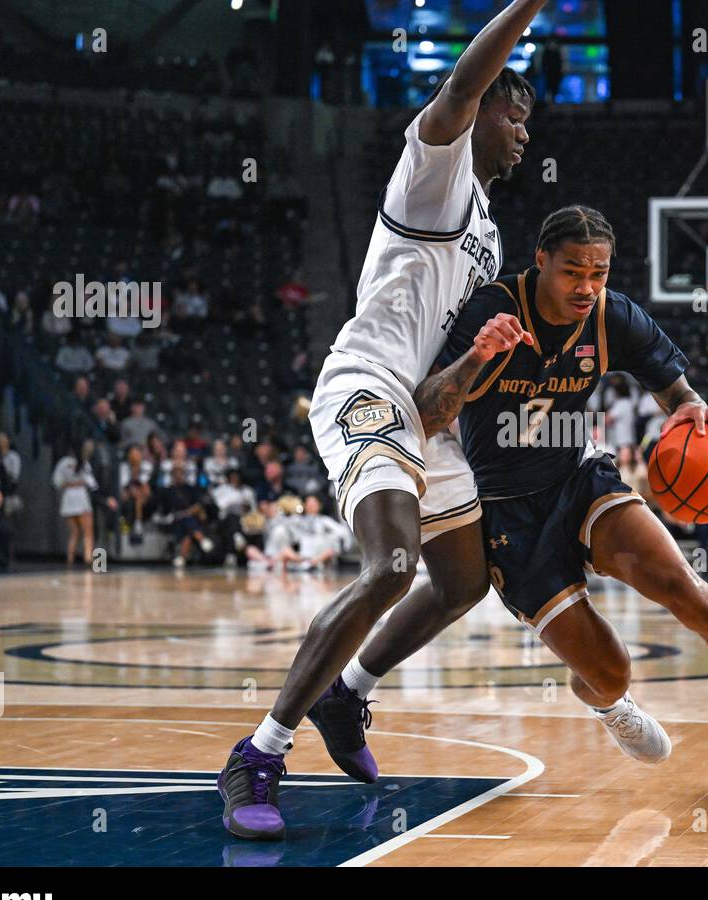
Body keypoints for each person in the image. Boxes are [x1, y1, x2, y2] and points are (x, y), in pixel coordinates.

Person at [348, 207, 708, 796]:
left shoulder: (610, 315)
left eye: (598, 272)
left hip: (579, 476)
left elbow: (674, 387)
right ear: (540, 260)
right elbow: (425, 414)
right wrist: (477, 357)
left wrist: (691, 406)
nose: (587, 286)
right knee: (608, 670)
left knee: (685, 588)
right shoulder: (492, 308)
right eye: (574, 271)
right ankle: (607, 703)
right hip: (506, 511)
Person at [218, 0, 545, 842]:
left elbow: (436, 394)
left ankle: (346, 692)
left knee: (466, 580)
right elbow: (464, 84)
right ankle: (257, 754)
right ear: (480, 113)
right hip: (364, 382)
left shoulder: (488, 234)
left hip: (416, 407)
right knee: (393, 563)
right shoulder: (435, 172)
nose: (524, 133)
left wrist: (474, 368)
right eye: (516, 113)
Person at [52, 441, 101, 568]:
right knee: (88, 532)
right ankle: (89, 559)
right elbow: (92, 483)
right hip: (81, 497)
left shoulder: (62, 463)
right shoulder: (83, 463)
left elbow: (56, 482)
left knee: (74, 533)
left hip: (68, 498)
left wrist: (69, 484)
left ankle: (70, 560)